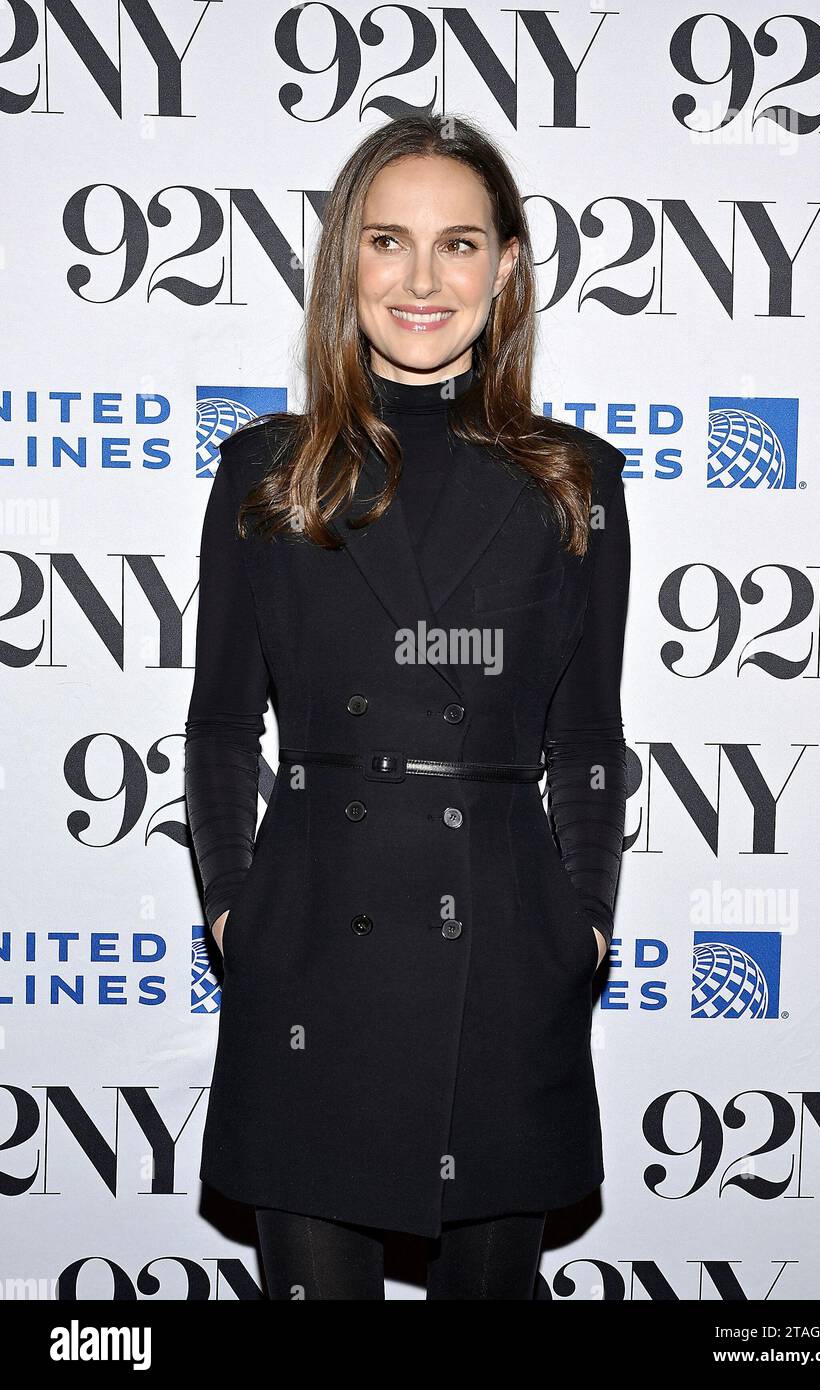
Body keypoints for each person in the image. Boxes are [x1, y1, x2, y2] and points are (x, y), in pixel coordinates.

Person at [184, 113, 630, 1300]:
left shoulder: (572, 478)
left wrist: (581, 924)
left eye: (459, 244)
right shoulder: (268, 472)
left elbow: (588, 737)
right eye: (388, 241)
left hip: (503, 947)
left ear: (508, 267)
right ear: (345, 263)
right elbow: (222, 725)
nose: (423, 279)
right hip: (314, 948)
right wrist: (235, 911)